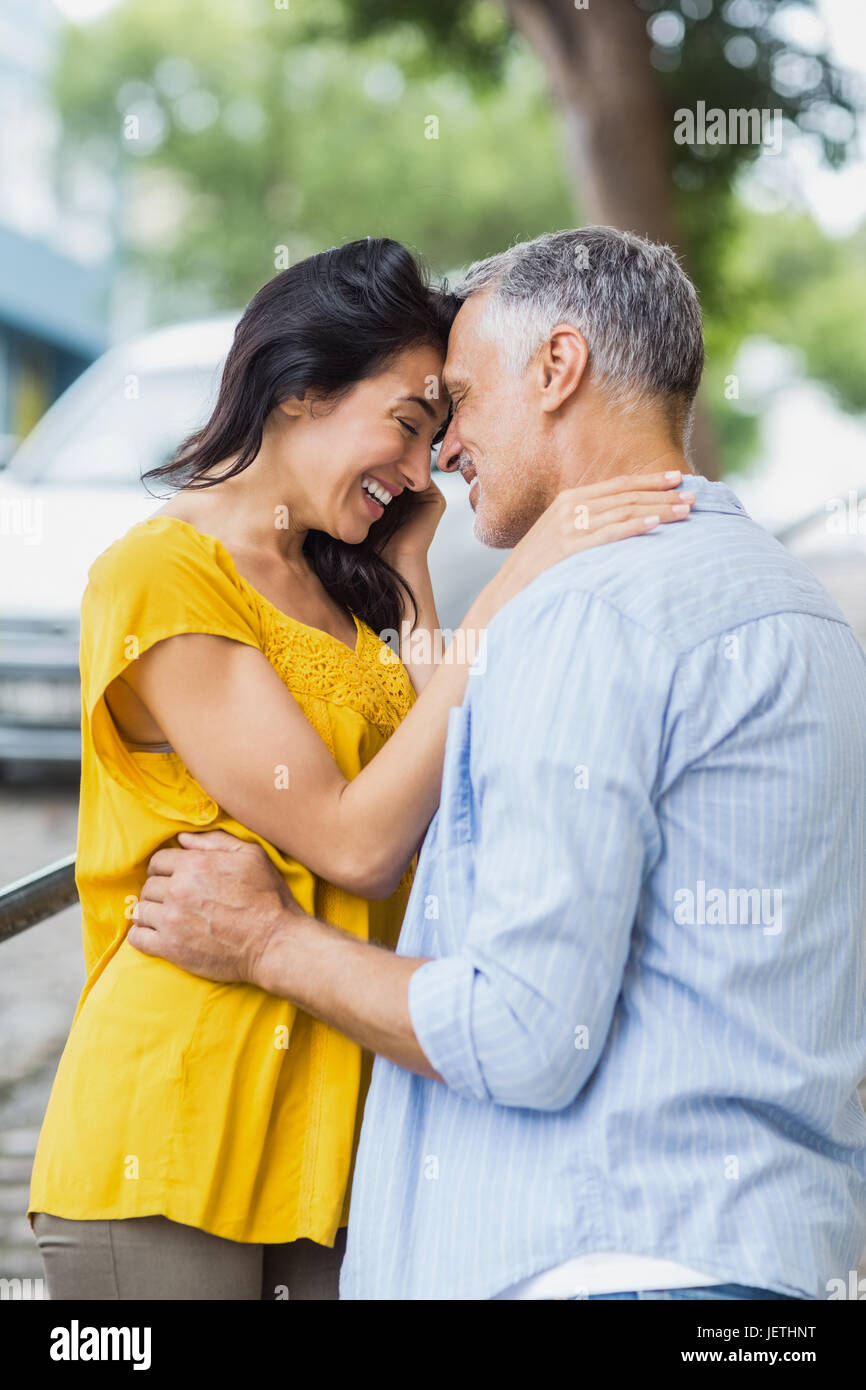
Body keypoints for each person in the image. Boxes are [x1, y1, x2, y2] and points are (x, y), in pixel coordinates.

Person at [133, 227, 866, 1302]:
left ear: (557, 368)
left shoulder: (587, 612)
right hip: (768, 1266)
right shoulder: (801, 607)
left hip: (604, 1265)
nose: (445, 452)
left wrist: (265, 940)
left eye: (459, 402)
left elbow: (522, 1030)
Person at [28, 235, 690, 1301]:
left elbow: (450, 787)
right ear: (297, 391)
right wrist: (521, 579)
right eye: (406, 424)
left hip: (339, 1143)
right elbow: (354, 837)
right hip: (176, 1131)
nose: (420, 469)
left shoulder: (346, 592)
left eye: (437, 436)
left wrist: (416, 581)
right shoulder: (160, 574)